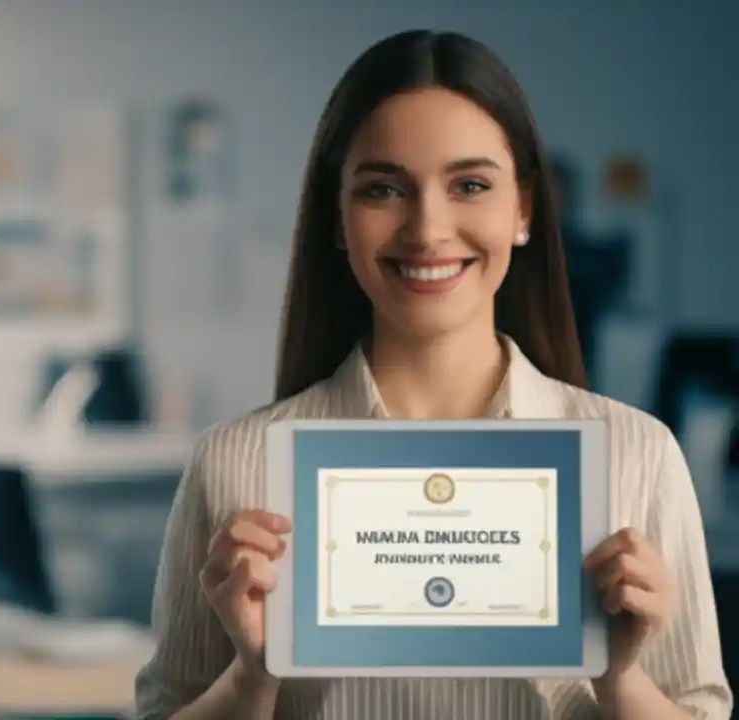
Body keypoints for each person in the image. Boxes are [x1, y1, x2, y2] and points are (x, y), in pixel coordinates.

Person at [135, 30, 731, 719]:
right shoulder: (233, 463)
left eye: (470, 185)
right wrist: (253, 674)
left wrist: (621, 677)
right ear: (337, 215)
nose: (428, 229)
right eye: (384, 189)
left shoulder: (640, 455)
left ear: (525, 209)